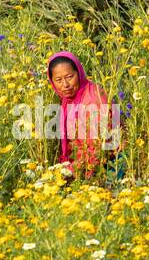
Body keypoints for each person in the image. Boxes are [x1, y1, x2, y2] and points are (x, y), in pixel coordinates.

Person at [47, 51, 123, 183]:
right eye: (58, 80)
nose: (65, 85)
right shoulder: (69, 99)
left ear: (79, 73)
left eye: (69, 76)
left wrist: (68, 172)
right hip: (85, 164)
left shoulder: (94, 98)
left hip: (111, 165)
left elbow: (100, 147)